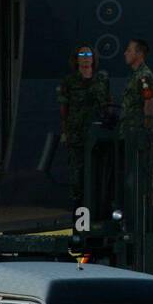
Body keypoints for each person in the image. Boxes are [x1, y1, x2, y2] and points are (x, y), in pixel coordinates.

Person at [56, 44, 110, 209]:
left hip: (99, 133)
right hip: (77, 133)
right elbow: (64, 109)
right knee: (77, 174)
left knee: (99, 172)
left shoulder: (102, 78)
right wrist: (65, 131)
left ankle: (98, 209)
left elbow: (107, 102)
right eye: (82, 54)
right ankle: (80, 214)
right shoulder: (69, 81)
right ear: (76, 59)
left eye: (89, 54)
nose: (86, 57)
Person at [119, 38, 153, 135]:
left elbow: (149, 101)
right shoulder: (135, 75)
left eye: (129, 50)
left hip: (137, 134)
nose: (125, 53)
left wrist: (145, 130)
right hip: (128, 132)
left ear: (139, 54)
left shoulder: (144, 76)